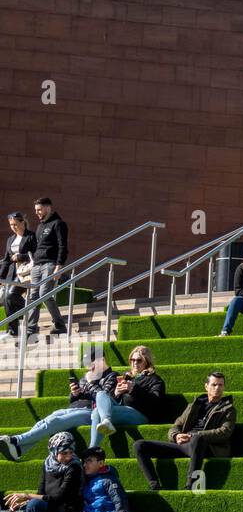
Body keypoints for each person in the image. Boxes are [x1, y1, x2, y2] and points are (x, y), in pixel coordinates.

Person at [0, 349, 163, 460]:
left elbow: (154, 401)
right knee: (53, 416)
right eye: (132, 359)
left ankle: (17, 441)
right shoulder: (126, 377)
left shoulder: (143, 378)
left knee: (88, 407)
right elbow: (111, 399)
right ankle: (20, 448)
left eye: (138, 360)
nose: (134, 362)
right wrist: (76, 393)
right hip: (98, 409)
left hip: (128, 413)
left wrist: (130, 389)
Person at [133, 371, 234, 492]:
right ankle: (154, 484)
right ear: (206, 386)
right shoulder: (194, 405)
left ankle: (190, 485)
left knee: (198, 439)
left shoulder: (228, 409)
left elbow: (224, 432)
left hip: (206, 446)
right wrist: (176, 435)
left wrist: (194, 435)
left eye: (220, 385)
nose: (217, 388)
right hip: (184, 445)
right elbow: (177, 424)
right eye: (214, 384)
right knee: (139, 445)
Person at [0, 433, 81, 512]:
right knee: (25, 505)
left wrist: (27, 496)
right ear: (54, 451)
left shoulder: (74, 467)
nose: (69, 456)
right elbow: (41, 491)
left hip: (63, 509)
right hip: (47, 505)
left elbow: (59, 498)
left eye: (71, 452)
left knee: (35, 504)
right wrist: (26, 502)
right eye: (64, 453)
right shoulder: (48, 464)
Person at [28, 197, 69, 335]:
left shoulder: (59, 224)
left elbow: (63, 247)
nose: (37, 212)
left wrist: (59, 266)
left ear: (48, 208)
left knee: (44, 294)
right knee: (33, 296)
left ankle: (59, 324)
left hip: (50, 264)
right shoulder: (40, 226)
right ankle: (30, 328)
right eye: (36, 210)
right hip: (37, 266)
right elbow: (38, 247)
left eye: (39, 209)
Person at [69, 447, 130, 512]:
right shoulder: (86, 482)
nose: (84, 465)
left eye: (89, 461)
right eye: (84, 462)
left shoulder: (109, 480)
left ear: (101, 463)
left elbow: (120, 504)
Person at [1, 211, 36, 339]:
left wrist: (22, 256)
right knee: (6, 299)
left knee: (11, 295)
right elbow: (6, 260)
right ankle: (13, 330)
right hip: (12, 272)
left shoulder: (31, 236)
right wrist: (1, 277)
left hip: (25, 272)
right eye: (11, 225)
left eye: (15, 224)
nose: (13, 227)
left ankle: (31, 309)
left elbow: (37, 255)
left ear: (22, 222)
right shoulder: (10, 239)